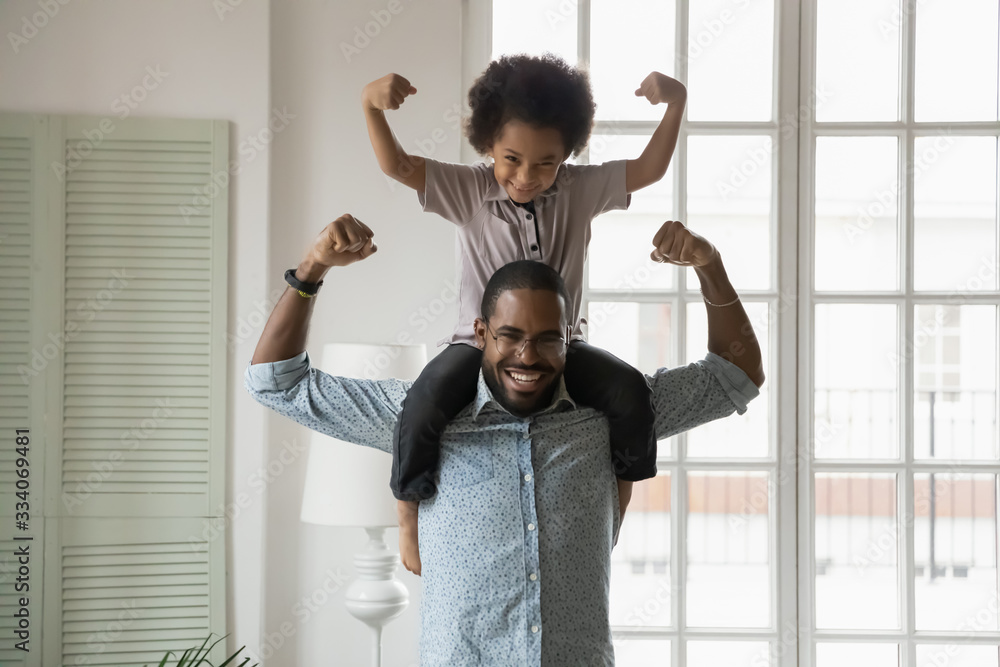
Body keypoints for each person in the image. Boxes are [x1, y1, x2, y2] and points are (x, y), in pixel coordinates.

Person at [244, 213, 764, 666]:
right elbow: (276, 382)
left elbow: (736, 375)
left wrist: (709, 264)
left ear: (570, 337)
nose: (527, 356)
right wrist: (312, 270)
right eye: (510, 335)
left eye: (547, 339)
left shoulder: (610, 415)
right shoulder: (419, 416)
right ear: (480, 332)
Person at [361, 53, 688, 575]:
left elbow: (648, 169)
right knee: (422, 403)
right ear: (488, 143)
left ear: (567, 155)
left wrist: (676, 105)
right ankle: (406, 512)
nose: (527, 176)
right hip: (479, 348)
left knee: (630, 393)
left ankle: (618, 505)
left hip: (563, 347)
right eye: (511, 159)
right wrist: (371, 107)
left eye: (546, 163)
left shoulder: (580, 190)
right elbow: (398, 166)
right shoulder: (468, 190)